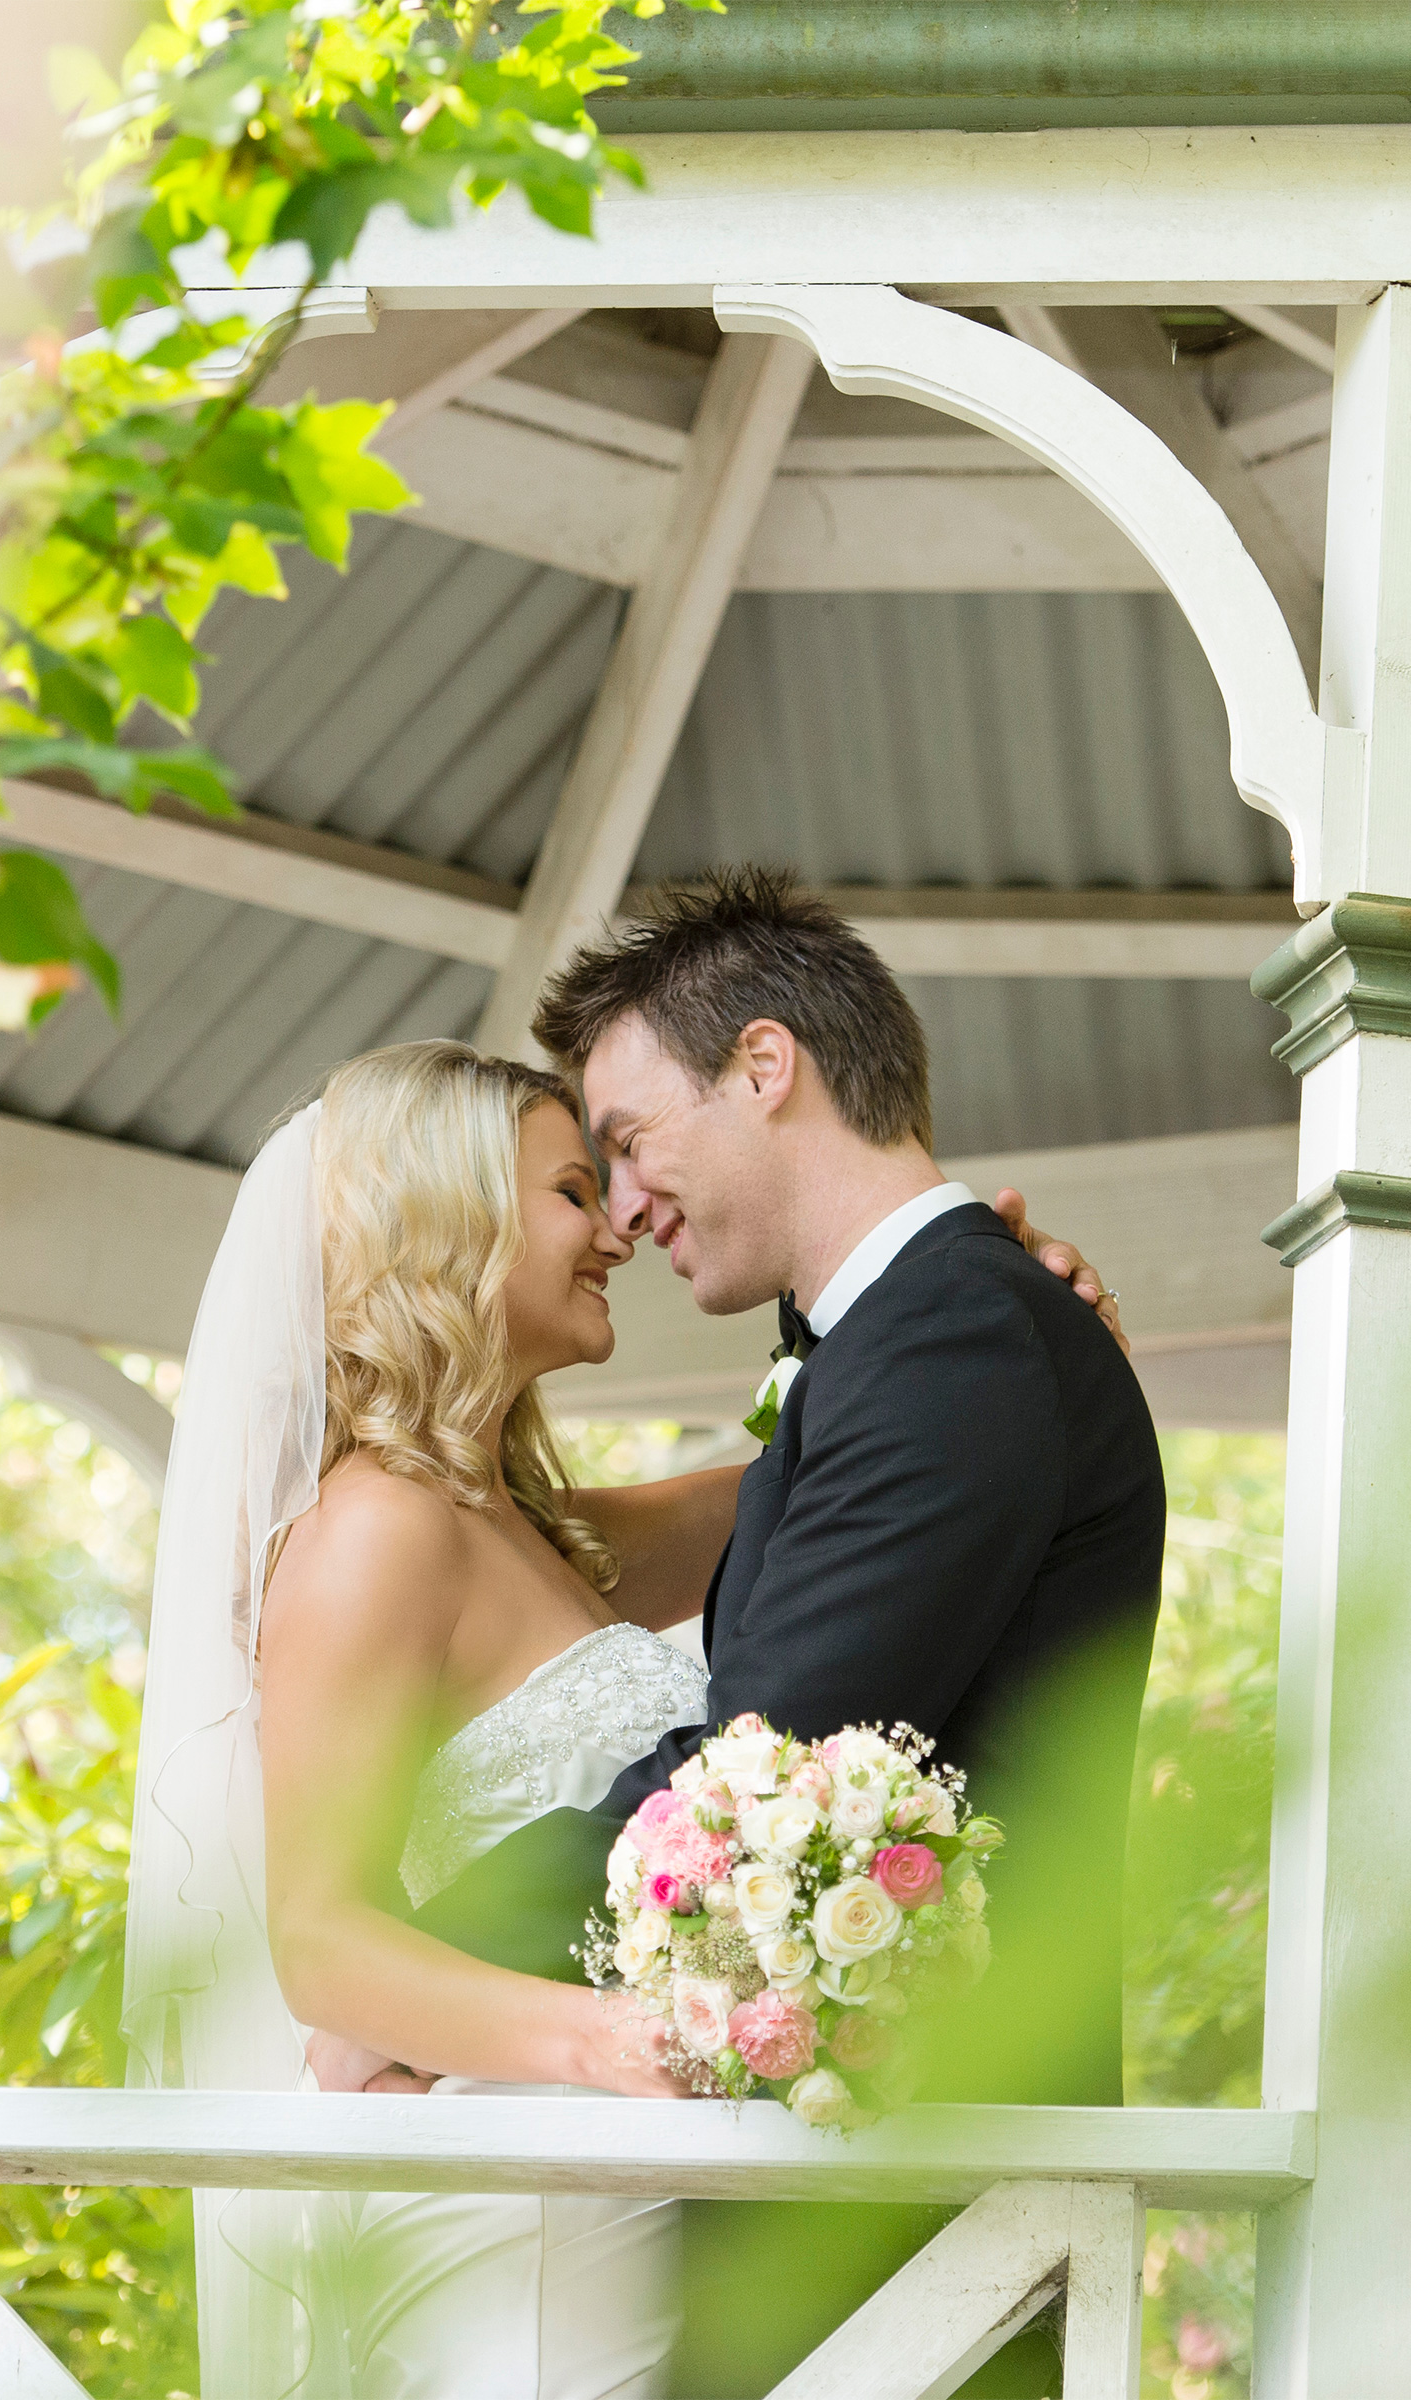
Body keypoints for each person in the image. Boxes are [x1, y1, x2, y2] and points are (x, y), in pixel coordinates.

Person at [122, 956, 1130, 2400]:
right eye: (572, 1193)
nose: (614, 1230)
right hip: (530, 2167)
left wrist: (1001, 1311)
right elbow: (320, 1941)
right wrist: (614, 2040)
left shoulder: (534, 1533)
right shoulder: (374, 1533)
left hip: (629, 2183)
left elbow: (831, 1466)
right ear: (448, 1220)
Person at [403, 869, 1166, 2396]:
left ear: (765, 1068)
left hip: (916, 2200)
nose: (623, 1205)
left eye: (627, 1140)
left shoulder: (952, 1338)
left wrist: (416, 1978)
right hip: (844, 2195)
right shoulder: (917, 1338)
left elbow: (766, 1758)